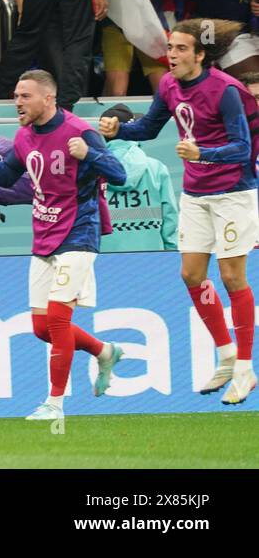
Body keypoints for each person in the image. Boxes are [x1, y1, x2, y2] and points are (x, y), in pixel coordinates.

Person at [99, 21, 258, 405]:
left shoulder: (225, 91)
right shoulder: (169, 85)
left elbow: (242, 147)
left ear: (201, 55)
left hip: (233, 193)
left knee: (232, 277)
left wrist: (203, 153)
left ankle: (246, 369)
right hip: (196, 193)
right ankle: (225, 354)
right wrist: (119, 128)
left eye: (182, 49)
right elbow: (150, 128)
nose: (172, 55)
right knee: (190, 273)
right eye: (171, 47)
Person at [0, 69, 128, 424]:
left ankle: (55, 403)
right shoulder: (23, 136)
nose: (17, 102)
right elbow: (6, 177)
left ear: (48, 99)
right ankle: (104, 351)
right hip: (44, 235)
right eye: (16, 96)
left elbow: (119, 174)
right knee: (41, 328)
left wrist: (90, 155)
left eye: (25, 96)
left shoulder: (79, 132)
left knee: (57, 318)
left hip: (79, 233)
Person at [96, 104, 179, 253]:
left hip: (102, 257)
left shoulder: (92, 169)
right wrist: (171, 251)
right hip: (152, 255)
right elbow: (170, 216)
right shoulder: (156, 168)